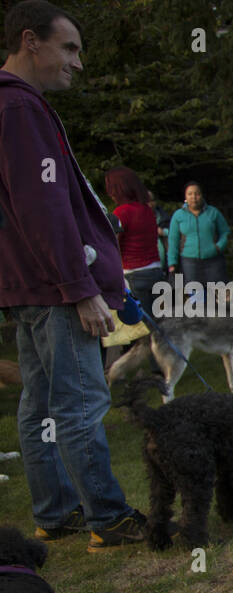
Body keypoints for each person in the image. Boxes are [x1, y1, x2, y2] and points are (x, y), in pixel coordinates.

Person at [0, 0, 146, 550]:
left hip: (32, 285)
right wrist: (79, 288)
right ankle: (107, 518)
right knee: (80, 402)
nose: (78, 63)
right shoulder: (20, 110)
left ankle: (56, 512)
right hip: (57, 289)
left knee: (39, 403)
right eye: (69, 48)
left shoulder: (14, 107)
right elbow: (42, 210)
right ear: (30, 41)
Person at [105, 166, 165, 329]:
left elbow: (113, 248)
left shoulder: (120, 213)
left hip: (133, 275)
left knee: (141, 331)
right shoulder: (147, 210)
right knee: (159, 326)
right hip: (155, 270)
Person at [166, 181, 229, 287]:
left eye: (197, 193)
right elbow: (173, 240)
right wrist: (172, 263)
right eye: (190, 194)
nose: (194, 197)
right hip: (189, 262)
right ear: (185, 197)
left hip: (213, 261)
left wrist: (218, 247)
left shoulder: (213, 212)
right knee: (196, 297)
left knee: (218, 296)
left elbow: (225, 232)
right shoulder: (178, 215)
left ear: (202, 195)